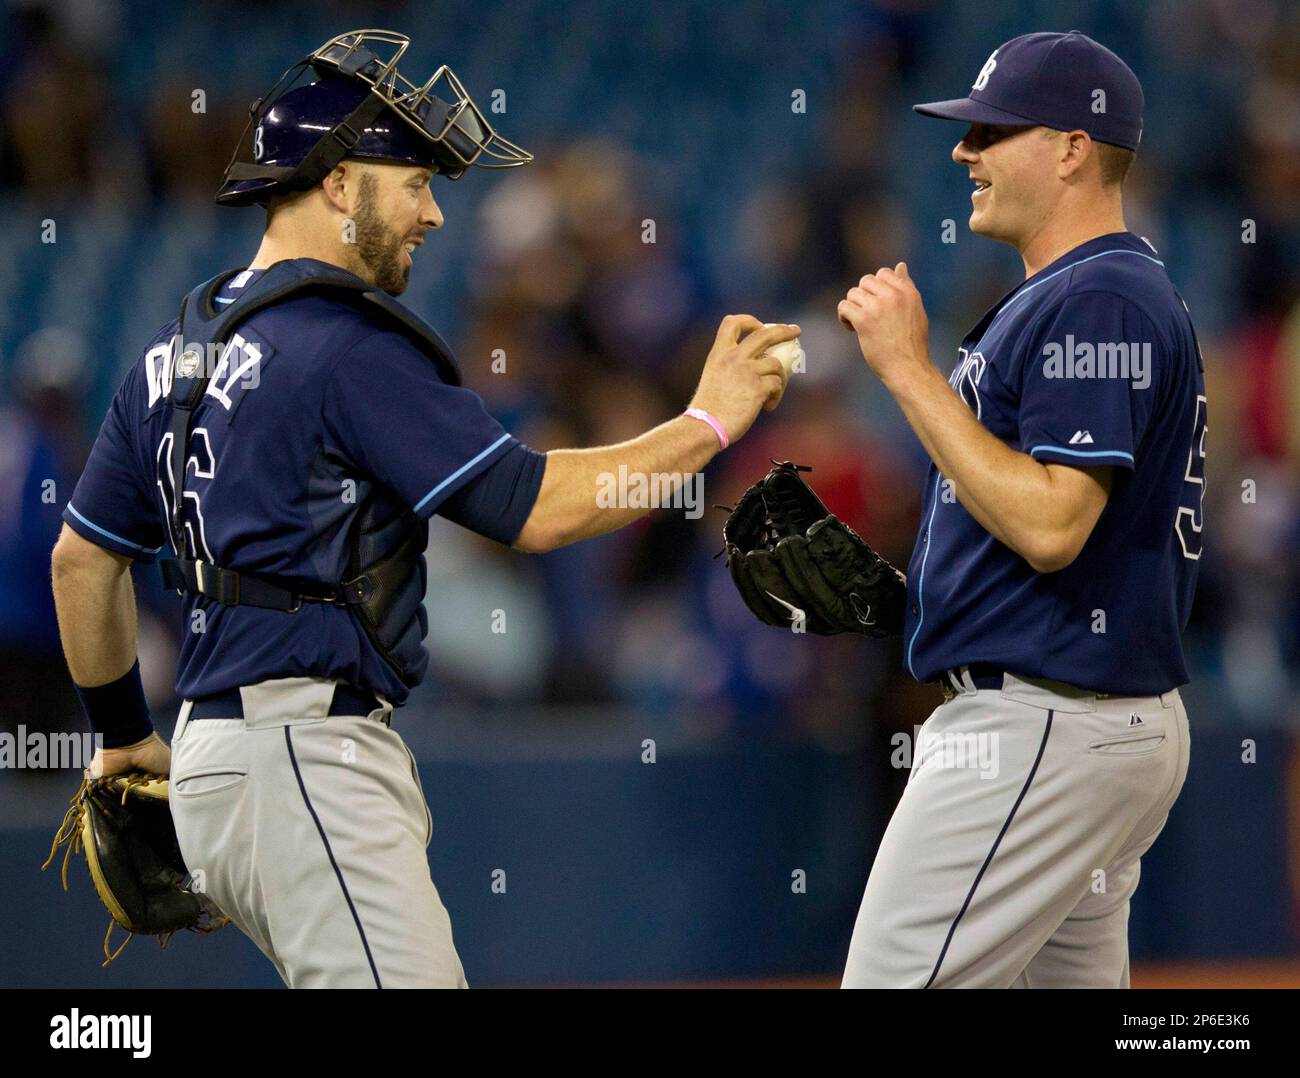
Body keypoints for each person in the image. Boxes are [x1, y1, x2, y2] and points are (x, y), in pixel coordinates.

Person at [49, 29, 796, 988]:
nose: (435, 214)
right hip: (306, 757)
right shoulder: (343, 346)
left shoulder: (171, 350)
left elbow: (82, 561)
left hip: (213, 760)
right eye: (413, 182)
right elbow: (535, 508)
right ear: (336, 181)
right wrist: (707, 421)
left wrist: (120, 738)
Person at [836, 31, 1205, 988]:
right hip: (1084, 719)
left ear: (1074, 147)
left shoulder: (1101, 295)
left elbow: (1051, 525)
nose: (964, 152)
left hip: (1043, 725)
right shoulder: (1088, 291)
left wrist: (909, 373)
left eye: (993, 131)